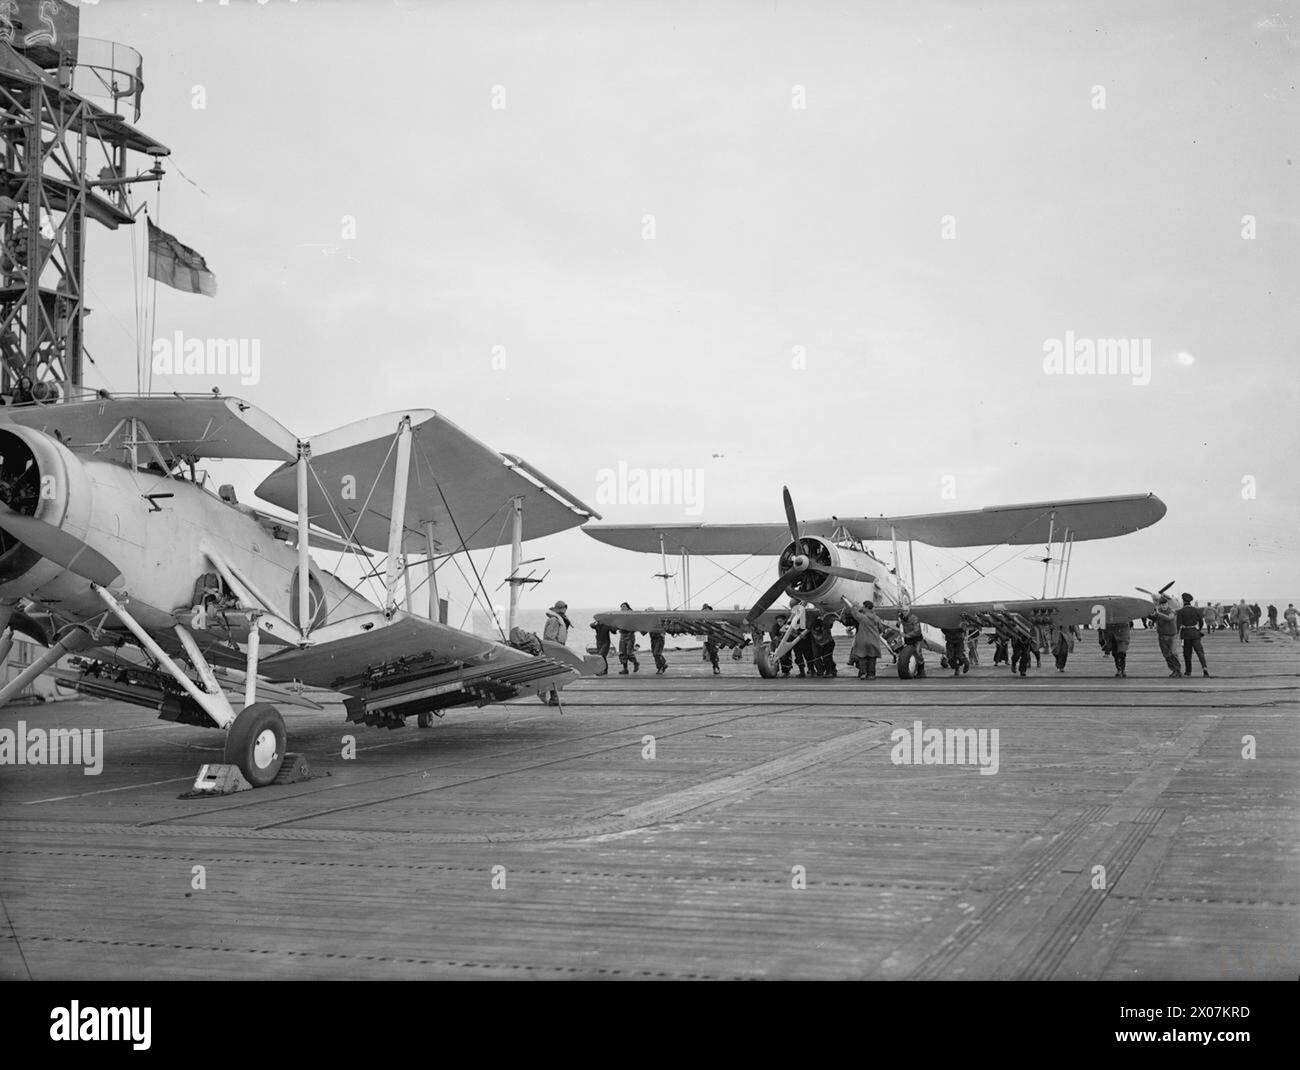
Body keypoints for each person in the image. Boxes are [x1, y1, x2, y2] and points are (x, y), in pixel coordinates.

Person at [537, 600, 571, 705]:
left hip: (556, 649)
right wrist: (557, 648)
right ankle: (544, 692)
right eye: (562, 608)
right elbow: (549, 636)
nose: (564, 610)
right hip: (553, 650)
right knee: (553, 674)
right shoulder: (554, 620)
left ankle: (553, 697)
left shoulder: (558, 619)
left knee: (555, 674)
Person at [842, 599, 884, 680]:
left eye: (863, 607)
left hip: (863, 641)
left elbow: (854, 613)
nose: (862, 608)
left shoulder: (862, 617)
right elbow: (881, 629)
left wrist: (854, 605)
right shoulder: (876, 618)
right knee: (872, 658)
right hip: (874, 641)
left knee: (862, 658)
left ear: (867, 607)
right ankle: (871, 674)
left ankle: (863, 673)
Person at [1177, 592, 1210, 677]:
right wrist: (1198, 630)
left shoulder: (1181, 611)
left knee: (1187, 653)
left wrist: (1176, 633)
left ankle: (1188, 671)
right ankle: (1204, 667)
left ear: (1183, 601)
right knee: (1200, 652)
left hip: (1185, 634)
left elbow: (1178, 624)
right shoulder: (1196, 610)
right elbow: (1201, 622)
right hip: (1195, 633)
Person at [1151, 595, 1183, 677]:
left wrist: (1158, 614)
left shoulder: (1172, 611)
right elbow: (1152, 617)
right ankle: (1173, 670)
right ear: (1159, 605)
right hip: (1161, 637)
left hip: (1172, 637)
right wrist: (1148, 612)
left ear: (1167, 604)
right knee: (1166, 655)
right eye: (1161, 605)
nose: (1163, 606)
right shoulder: (1158, 612)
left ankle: (1178, 670)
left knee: (1173, 653)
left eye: (1165, 604)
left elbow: (1169, 618)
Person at [898, 607, 925, 677]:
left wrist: (907, 635)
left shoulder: (914, 618)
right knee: (908, 653)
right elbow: (899, 626)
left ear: (909, 611)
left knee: (918, 653)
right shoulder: (902, 619)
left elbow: (917, 631)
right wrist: (899, 623)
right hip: (908, 639)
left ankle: (921, 671)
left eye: (906, 611)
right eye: (903, 611)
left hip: (916, 639)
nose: (904, 612)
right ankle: (910, 668)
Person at [616, 601, 640, 674]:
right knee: (622, 653)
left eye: (624, 606)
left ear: (628, 607)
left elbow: (637, 624)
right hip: (622, 635)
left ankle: (636, 663)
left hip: (630, 635)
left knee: (629, 653)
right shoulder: (620, 616)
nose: (622, 608)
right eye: (621, 607)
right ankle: (625, 669)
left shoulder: (632, 615)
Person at [699, 603, 720, 674]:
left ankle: (707, 657)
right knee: (712, 650)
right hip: (712, 635)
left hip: (707, 635)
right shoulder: (711, 613)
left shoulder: (702, 613)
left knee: (709, 648)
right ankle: (714, 664)